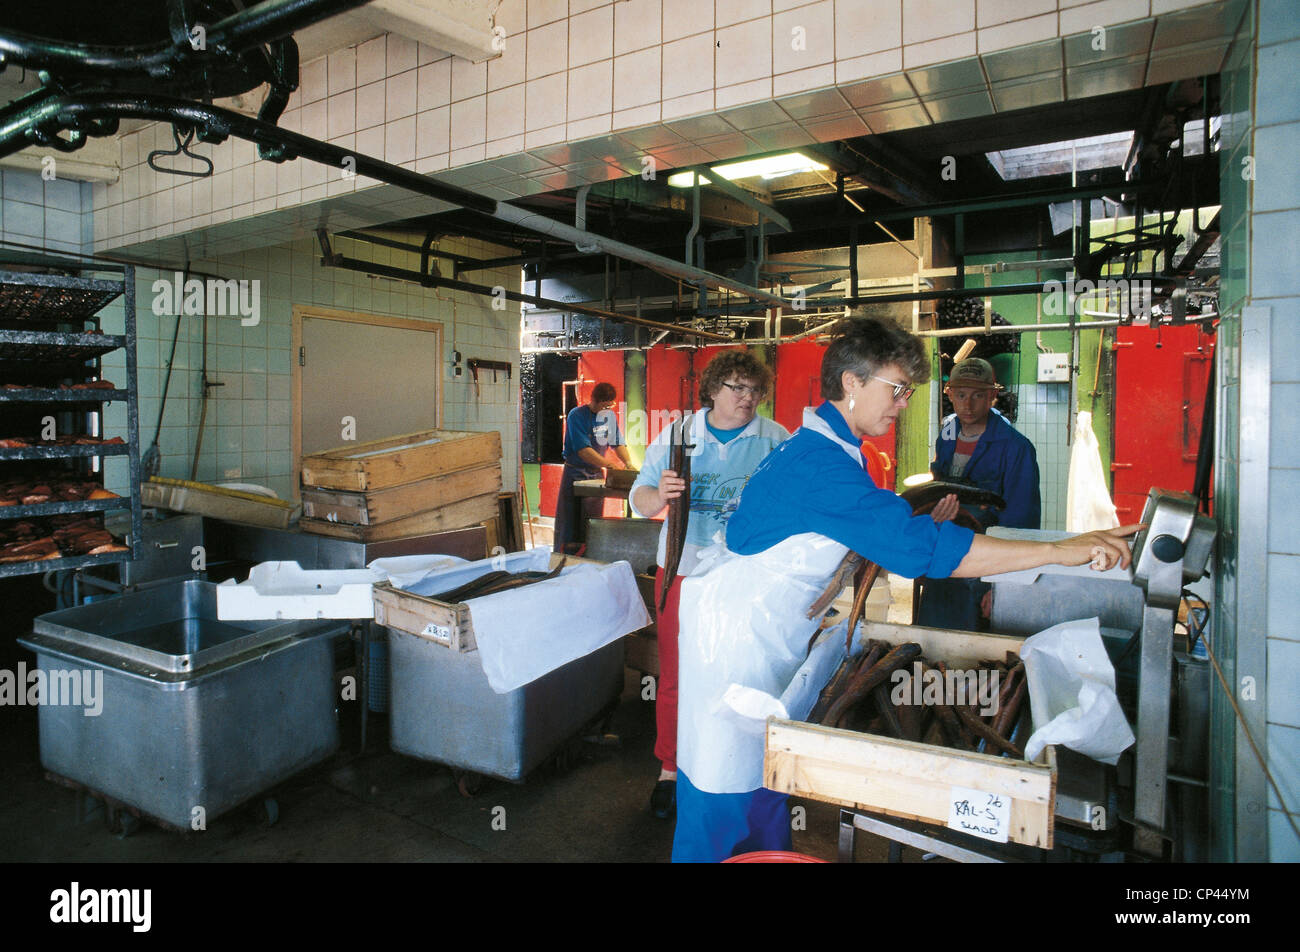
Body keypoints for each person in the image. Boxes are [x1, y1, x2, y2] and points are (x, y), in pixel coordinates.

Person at [671, 317, 1140, 863]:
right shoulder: (820, 464)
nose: (902, 403)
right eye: (896, 389)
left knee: (766, 773)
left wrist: (904, 524)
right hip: (736, 639)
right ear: (851, 382)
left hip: (765, 627)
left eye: (908, 392)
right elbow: (922, 550)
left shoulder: (831, 447)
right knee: (724, 786)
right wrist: (1065, 550)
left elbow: (872, 527)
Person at [629, 351, 789, 821]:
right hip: (680, 569)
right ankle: (670, 768)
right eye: (737, 388)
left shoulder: (774, 439)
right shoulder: (680, 435)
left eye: (755, 390)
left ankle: (735, 765)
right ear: (713, 390)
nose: (747, 398)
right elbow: (639, 499)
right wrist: (659, 496)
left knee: (743, 671)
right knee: (677, 674)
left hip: (744, 576)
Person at [916, 357, 1041, 630]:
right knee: (934, 632)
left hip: (986, 560)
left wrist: (1000, 584)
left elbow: (1022, 523)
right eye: (960, 395)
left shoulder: (1016, 448)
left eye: (978, 395)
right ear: (950, 394)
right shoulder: (948, 433)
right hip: (945, 550)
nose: (968, 405)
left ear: (992, 396)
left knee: (975, 641)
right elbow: (940, 483)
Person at [553, 382, 633, 555]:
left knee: (592, 521)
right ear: (594, 400)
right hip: (575, 473)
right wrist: (609, 464)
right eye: (604, 405)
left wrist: (628, 463)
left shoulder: (608, 417)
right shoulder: (577, 415)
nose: (607, 409)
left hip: (595, 474)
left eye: (610, 405)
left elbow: (617, 442)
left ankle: (590, 555)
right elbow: (584, 451)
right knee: (570, 523)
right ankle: (565, 558)